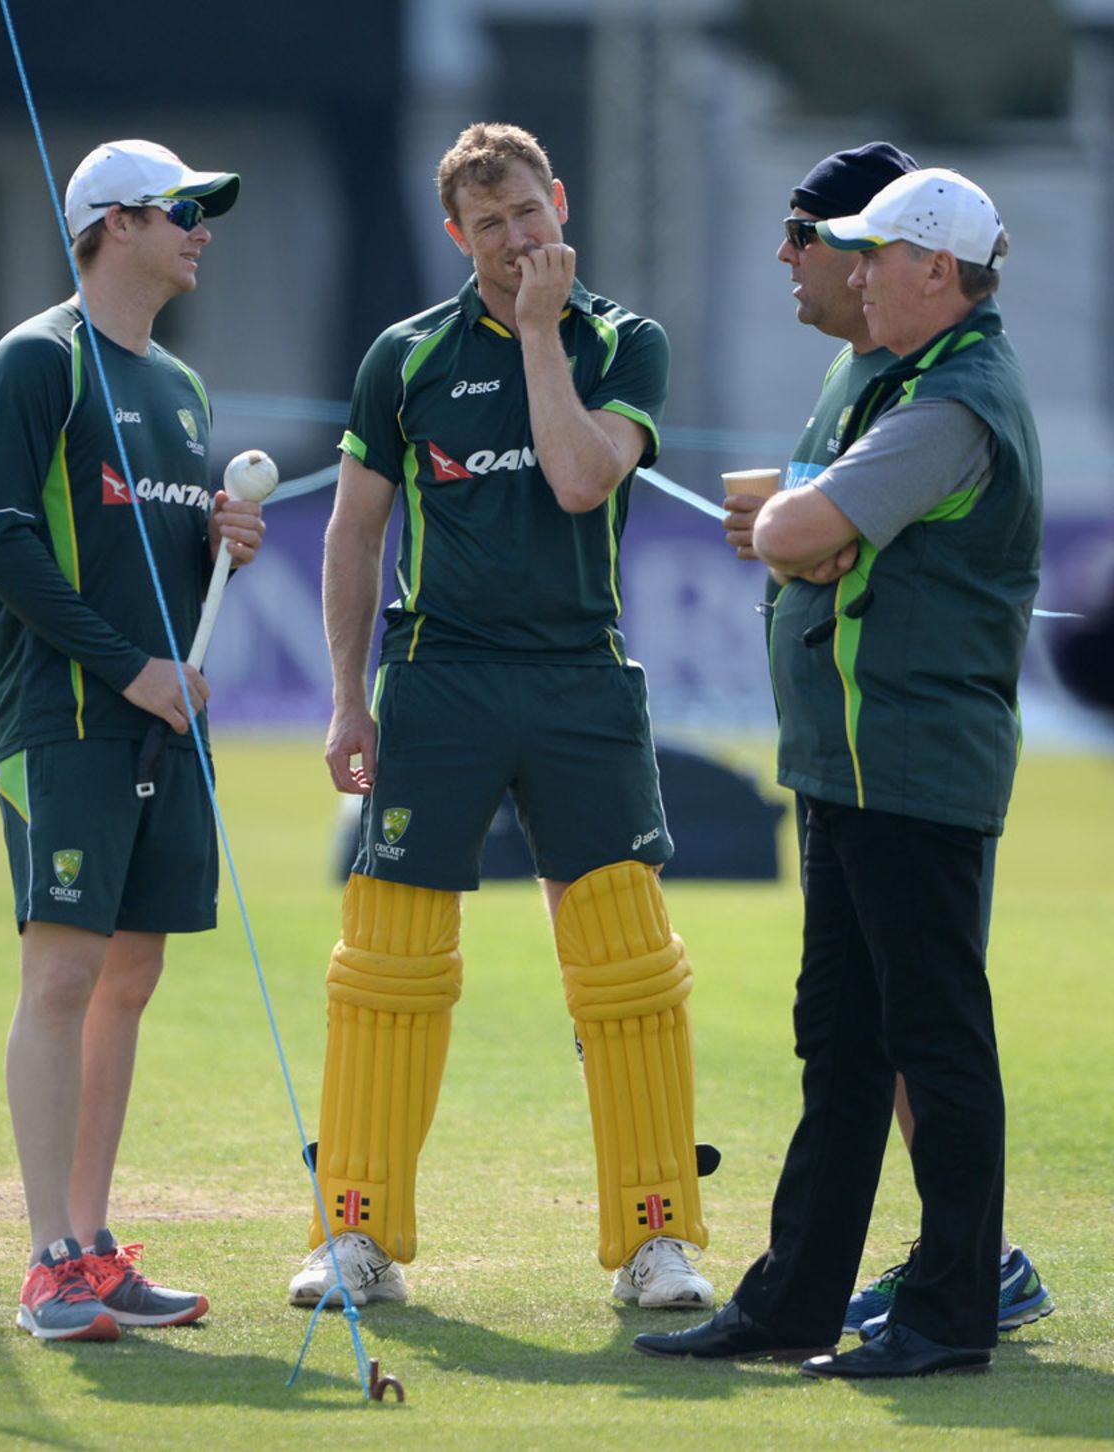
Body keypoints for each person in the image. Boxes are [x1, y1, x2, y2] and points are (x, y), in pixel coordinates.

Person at [287, 121, 713, 1313]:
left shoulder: (625, 340)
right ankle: (354, 1233)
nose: (518, 239)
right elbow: (354, 531)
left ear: (559, 200)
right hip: (440, 678)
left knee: (627, 970)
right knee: (387, 967)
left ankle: (655, 1240)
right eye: (490, 225)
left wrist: (537, 337)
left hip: (581, 676)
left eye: (529, 212)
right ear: (455, 236)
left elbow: (581, 478)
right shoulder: (406, 357)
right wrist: (342, 696)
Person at [635, 166, 1042, 1378]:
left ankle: (952, 1311)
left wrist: (801, 523)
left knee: (931, 1040)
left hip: (911, 763)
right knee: (847, 1038)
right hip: (858, 764)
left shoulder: (955, 400)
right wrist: (810, 523)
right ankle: (799, 1299)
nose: (852, 272)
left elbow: (796, 532)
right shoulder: (905, 376)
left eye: (874, 255)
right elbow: (811, 529)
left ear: (937, 270)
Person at [0, 139, 266, 1341]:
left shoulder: (181, 389)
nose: (203, 228)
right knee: (64, 975)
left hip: (160, 721)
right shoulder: (38, 360)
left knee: (129, 980)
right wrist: (127, 668)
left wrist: (223, 538)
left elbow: (160, 550)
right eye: (186, 210)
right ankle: (46, 1263)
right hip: (71, 719)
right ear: (116, 221)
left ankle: (91, 1244)